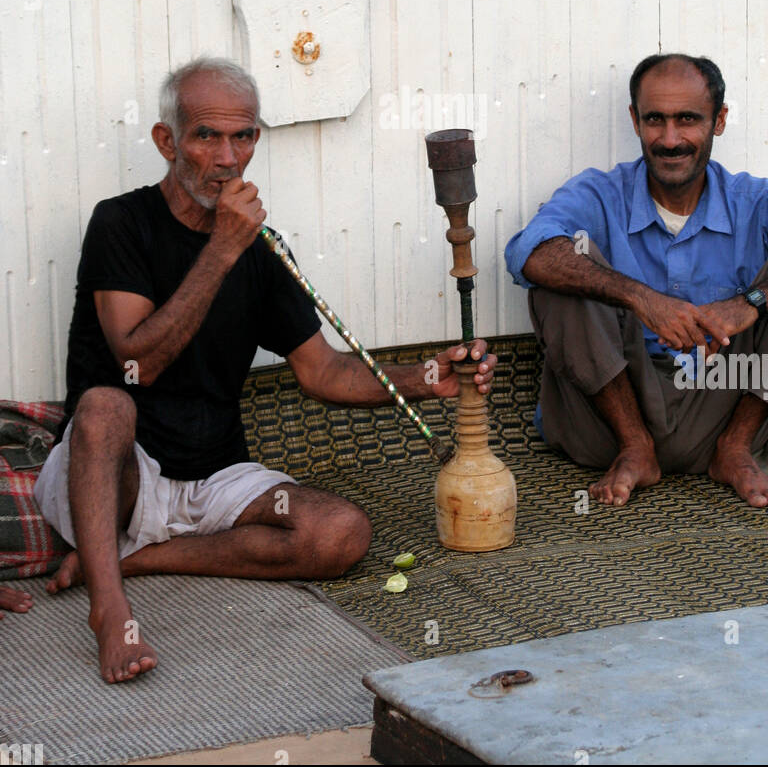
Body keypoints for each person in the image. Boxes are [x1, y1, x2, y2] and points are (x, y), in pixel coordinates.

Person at [33, 57, 496, 684]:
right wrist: (221, 248)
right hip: (120, 475)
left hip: (215, 477)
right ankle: (110, 606)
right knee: (105, 405)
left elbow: (322, 371)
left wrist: (424, 378)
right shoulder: (123, 223)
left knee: (339, 533)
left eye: (243, 136)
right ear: (167, 142)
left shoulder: (260, 245)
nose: (228, 157)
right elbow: (138, 361)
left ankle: (132, 561)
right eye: (207, 136)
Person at [505, 53, 768, 511]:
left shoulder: (752, 198)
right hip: (606, 420)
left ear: (719, 121)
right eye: (655, 119)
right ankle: (636, 448)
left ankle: (734, 451)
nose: (670, 139)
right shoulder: (597, 192)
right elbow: (528, 252)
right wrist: (641, 298)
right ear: (635, 121)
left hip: (722, 400)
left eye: (688, 120)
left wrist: (749, 303)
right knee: (563, 265)